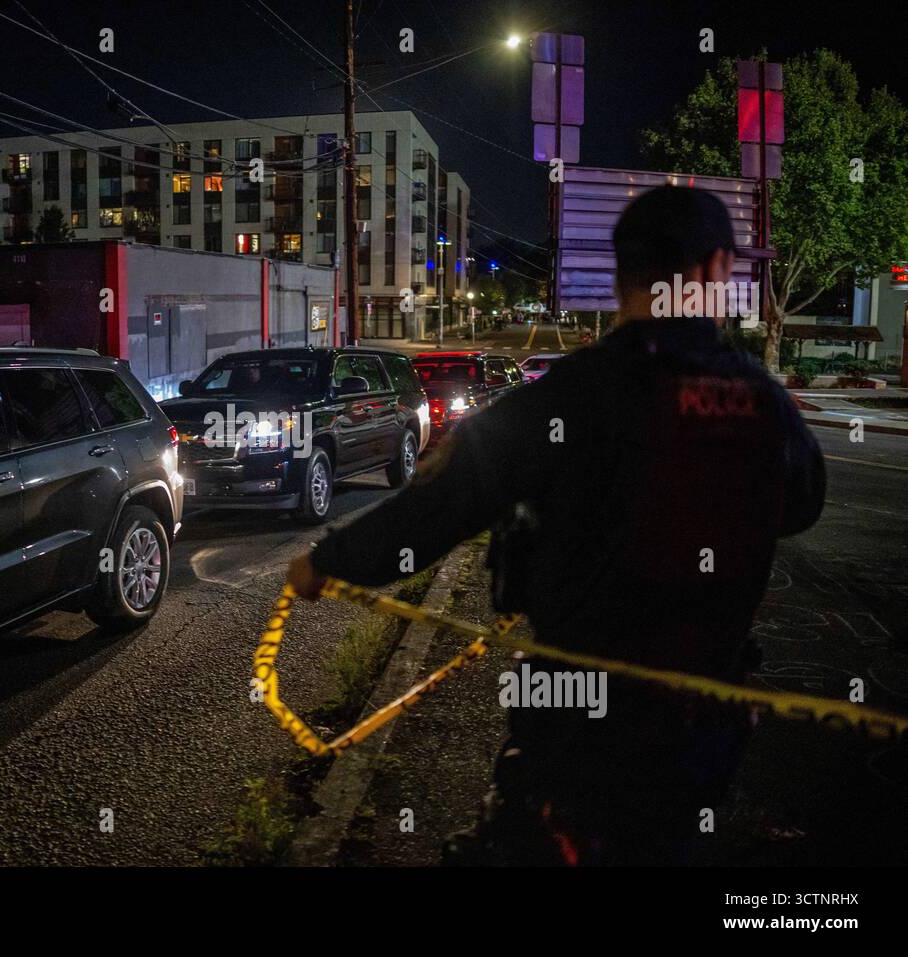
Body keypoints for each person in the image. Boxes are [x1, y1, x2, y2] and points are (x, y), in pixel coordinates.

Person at [287, 185, 825, 865]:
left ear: (621, 273)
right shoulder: (762, 402)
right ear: (713, 269)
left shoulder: (574, 394)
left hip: (572, 724)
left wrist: (329, 561)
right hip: (698, 731)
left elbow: (440, 505)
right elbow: (804, 503)